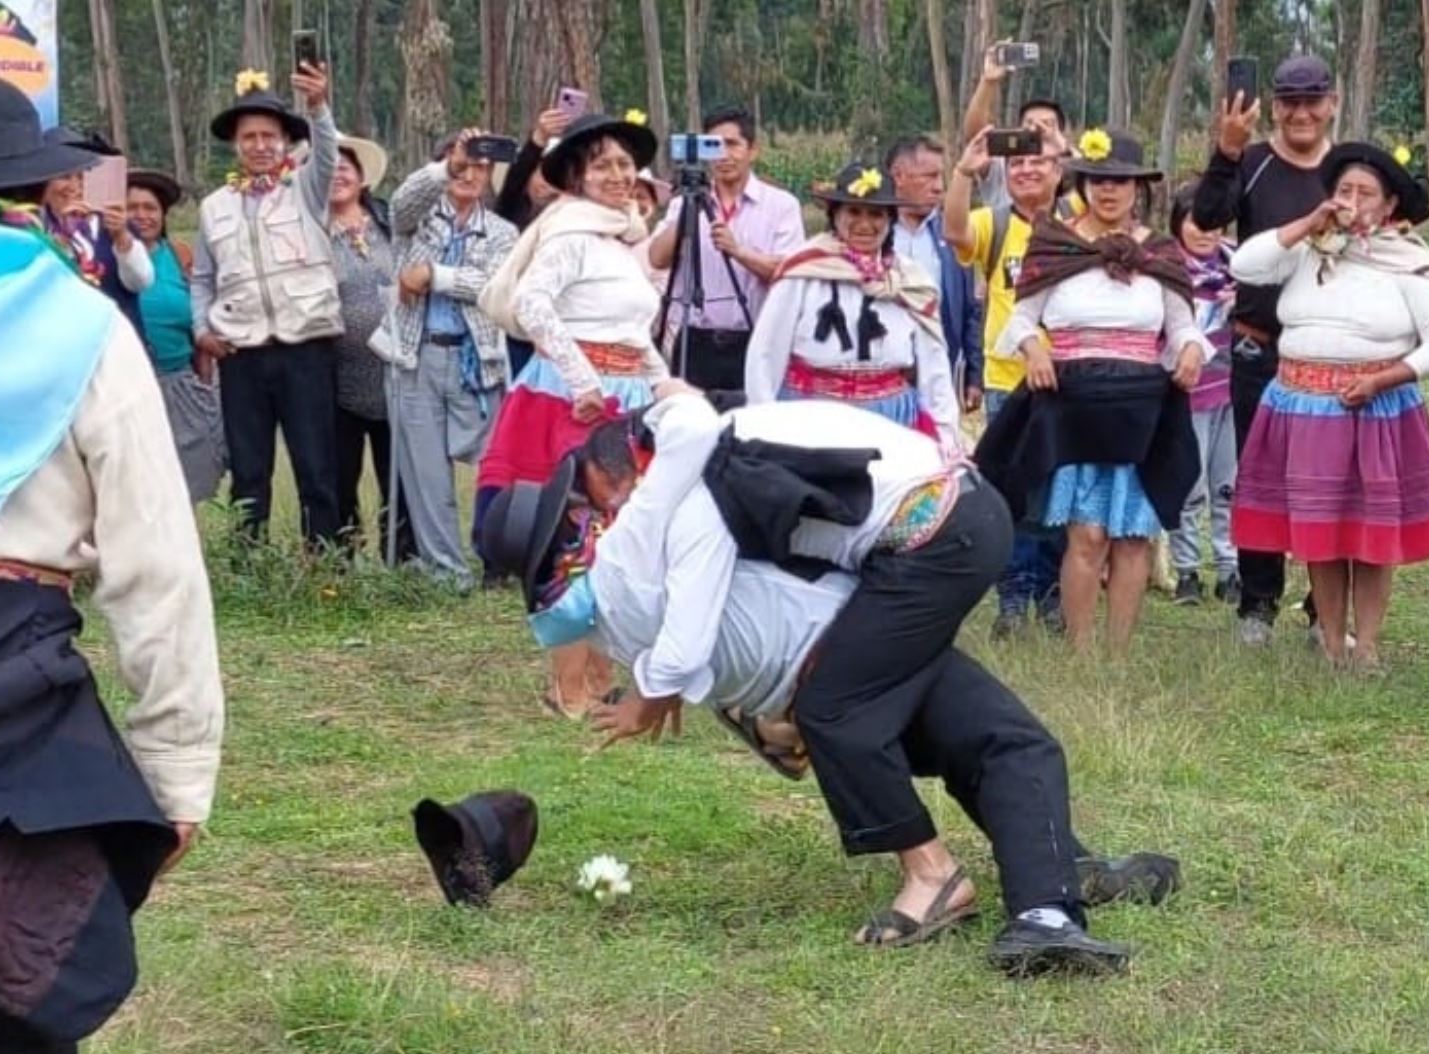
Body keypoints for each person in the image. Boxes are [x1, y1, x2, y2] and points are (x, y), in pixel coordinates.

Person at [482, 417, 1179, 976]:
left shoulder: (686, 497)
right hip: (864, 614)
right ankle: (1054, 890)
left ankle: (950, 878)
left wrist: (655, 694)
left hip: (894, 581)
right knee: (1003, 740)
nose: (609, 513)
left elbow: (695, 646)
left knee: (842, 714)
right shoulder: (637, 560)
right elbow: (714, 642)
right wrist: (726, 713)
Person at [0, 73, 223, 1054]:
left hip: (6, 702)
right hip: (12, 727)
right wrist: (175, 775)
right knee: (6, 1039)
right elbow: (156, 573)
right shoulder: (83, 327)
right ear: (38, 185)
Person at [1229, 143, 1429, 669]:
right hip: (1303, 407)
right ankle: (1332, 643)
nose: (1352, 201)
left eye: (1365, 193)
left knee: (1369, 533)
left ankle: (1368, 646)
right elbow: (1245, 264)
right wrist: (1308, 223)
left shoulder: (1407, 257)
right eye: (1343, 190)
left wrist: (1382, 379)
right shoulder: (1309, 249)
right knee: (1320, 531)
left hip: (1373, 409)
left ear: (1389, 204)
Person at [979, 131, 1206, 656]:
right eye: (1099, 181)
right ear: (1083, 185)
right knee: (1088, 535)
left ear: (1137, 188)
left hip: (1141, 412)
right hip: (1075, 411)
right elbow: (1022, 320)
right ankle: (1082, 652)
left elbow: (1182, 326)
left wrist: (1191, 351)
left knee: (1132, 537)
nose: (1109, 192)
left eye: (1120, 182)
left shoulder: (1159, 251)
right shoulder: (1054, 243)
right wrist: (1035, 351)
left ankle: (1118, 654)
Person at [475, 111, 671, 716]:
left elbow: (633, 330)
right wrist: (583, 380)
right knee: (574, 538)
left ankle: (601, 675)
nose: (617, 175)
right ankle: (569, 686)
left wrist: (666, 386)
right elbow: (532, 304)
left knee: (621, 538)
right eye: (602, 165)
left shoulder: (621, 239)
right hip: (572, 397)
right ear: (578, 177)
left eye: (623, 164)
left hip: (626, 394)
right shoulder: (568, 234)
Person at [1193, 54, 1337, 645]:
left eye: (1312, 101)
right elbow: (1206, 218)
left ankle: (1323, 604)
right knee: (1260, 474)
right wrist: (1226, 151)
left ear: (1332, 103)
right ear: (1273, 106)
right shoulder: (1252, 162)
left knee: (1327, 477)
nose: (1301, 113)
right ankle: (1257, 601)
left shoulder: (1350, 168)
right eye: (1289, 102)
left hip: (1331, 349)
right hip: (1259, 347)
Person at [192, 62, 343, 545]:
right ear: (236, 145)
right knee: (249, 467)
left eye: (269, 136)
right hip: (242, 354)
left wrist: (318, 105)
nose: (260, 145)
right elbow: (202, 279)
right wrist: (202, 330)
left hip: (306, 349)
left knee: (316, 465)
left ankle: (325, 564)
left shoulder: (307, 189)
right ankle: (248, 565)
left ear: (284, 141)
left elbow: (328, 152)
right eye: (250, 136)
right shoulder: (214, 206)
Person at [944, 124, 1073, 638]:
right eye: (1016, 164)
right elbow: (954, 232)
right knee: (1013, 495)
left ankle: (1053, 593)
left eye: (1039, 160)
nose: (1026, 169)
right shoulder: (993, 223)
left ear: (1058, 170)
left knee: (1060, 494)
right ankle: (1014, 597)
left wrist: (1065, 146)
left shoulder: (1078, 224)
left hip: (1068, 382)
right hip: (1006, 382)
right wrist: (963, 172)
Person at [743, 161, 960, 445]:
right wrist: (762, 425)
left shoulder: (909, 280)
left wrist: (946, 434)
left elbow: (934, 367)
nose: (865, 224)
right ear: (835, 216)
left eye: (876, 214)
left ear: (890, 220)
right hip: (810, 419)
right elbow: (766, 353)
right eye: (854, 212)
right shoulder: (803, 271)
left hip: (891, 422)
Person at [385, 130, 519, 588]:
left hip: (477, 359)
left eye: (481, 167)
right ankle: (448, 574)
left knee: (495, 462)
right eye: (462, 165)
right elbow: (402, 202)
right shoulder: (416, 219)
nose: (471, 174)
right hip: (416, 355)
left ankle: (499, 563)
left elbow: (493, 286)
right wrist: (450, 163)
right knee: (426, 475)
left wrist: (432, 274)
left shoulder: (504, 232)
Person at [646, 104, 805, 393]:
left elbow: (789, 274)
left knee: (749, 426)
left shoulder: (782, 205)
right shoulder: (684, 203)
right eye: (713, 146)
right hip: (695, 339)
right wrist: (687, 210)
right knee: (690, 423)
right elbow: (656, 259)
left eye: (732, 144)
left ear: (752, 150)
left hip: (755, 337)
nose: (723, 156)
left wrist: (739, 251)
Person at [326, 135, 412, 560]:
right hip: (335, 377)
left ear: (362, 179)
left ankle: (402, 558)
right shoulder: (309, 230)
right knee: (340, 475)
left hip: (393, 373)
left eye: (347, 167)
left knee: (397, 475)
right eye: (329, 167)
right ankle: (341, 559)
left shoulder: (388, 223)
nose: (338, 174)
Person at [126, 168, 227, 502]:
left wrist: (204, 381)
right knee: (133, 483)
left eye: (150, 208)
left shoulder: (181, 256)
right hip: (126, 387)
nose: (141, 215)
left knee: (188, 483)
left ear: (163, 214)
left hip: (180, 384)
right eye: (132, 207)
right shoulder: (103, 261)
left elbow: (201, 313)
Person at [1167, 183, 1240, 607]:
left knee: (1228, 484)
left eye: (1215, 223)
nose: (1205, 232)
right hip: (1187, 392)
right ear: (1179, 222)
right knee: (1190, 486)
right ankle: (1187, 571)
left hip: (1232, 387)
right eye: (1197, 222)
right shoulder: (1164, 266)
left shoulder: (1238, 264)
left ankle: (1229, 568)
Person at [887, 134, 983, 411]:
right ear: (899, 176)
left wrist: (974, 376)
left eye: (941, 177)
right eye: (929, 177)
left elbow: (971, 309)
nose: (939, 188)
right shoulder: (874, 233)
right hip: (886, 366)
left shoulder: (952, 235)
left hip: (940, 364)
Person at [38, 129, 154, 342]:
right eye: (64, 176)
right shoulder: (33, 228)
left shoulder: (115, 223)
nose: (74, 186)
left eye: (82, 175)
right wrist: (62, 239)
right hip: (61, 344)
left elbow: (140, 282)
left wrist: (121, 237)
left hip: (117, 342)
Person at [492, 105, 572, 376]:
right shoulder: (510, 213)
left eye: (555, 175)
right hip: (516, 335)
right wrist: (538, 138)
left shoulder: (571, 221)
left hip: (562, 335)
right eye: (541, 172)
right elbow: (516, 178)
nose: (546, 183)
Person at [961, 42, 1075, 214]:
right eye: (1029, 123)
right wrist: (988, 82)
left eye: (1047, 124)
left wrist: (1061, 147)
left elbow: (1092, 179)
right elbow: (975, 137)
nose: (1037, 129)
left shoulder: (1068, 167)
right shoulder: (1004, 166)